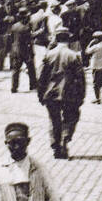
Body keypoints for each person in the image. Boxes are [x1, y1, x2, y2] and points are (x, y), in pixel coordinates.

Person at [37, 29, 86, 159]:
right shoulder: (74, 55)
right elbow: (81, 78)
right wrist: (81, 95)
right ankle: (66, 137)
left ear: (57, 39)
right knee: (71, 117)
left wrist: (40, 94)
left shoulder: (49, 54)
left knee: (53, 120)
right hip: (70, 94)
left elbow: (42, 76)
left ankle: (55, 146)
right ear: (68, 39)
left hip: (51, 93)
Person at [5, 10, 37, 93]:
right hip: (25, 51)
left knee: (16, 69)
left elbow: (10, 39)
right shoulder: (26, 28)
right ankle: (33, 85)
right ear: (24, 17)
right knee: (31, 68)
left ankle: (14, 87)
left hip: (15, 50)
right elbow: (29, 40)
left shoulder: (14, 26)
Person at [86, 31, 102, 105]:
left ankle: (97, 98)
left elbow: (87, 52)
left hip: (96, 67)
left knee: (96, 84)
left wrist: (90, 44)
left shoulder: (95, 46)